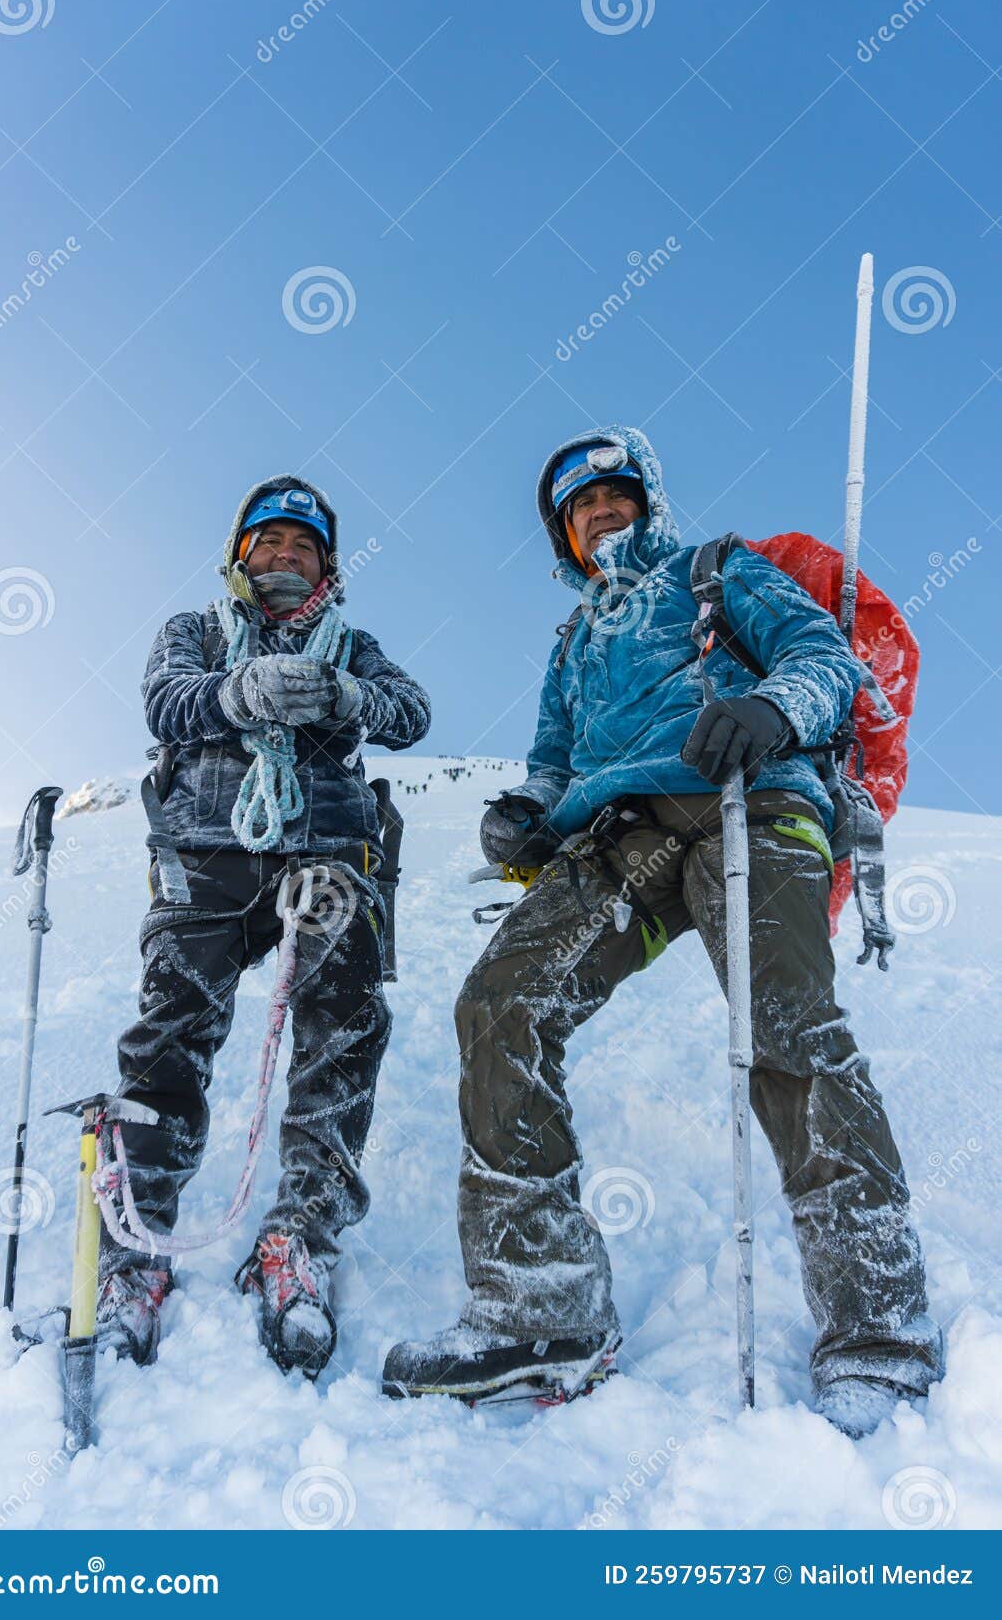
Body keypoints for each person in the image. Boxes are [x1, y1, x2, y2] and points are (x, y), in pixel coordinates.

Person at [383, 426, 944, 1436]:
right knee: (501, 1000)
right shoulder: (574, 641)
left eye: (612, 491)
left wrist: (772, 709)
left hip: (751, 796)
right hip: (618, 833)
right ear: (561, 531)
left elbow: (819, 658)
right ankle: (540, 1308)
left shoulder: (714, 569)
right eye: (576, 503)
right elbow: (552, 764)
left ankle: (877, 1326)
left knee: (785, 1022)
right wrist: (522, 813)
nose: (597, 509)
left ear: (643, 496)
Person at [95, 475, 430, 1378]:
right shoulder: (195, 633)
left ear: (326, 565)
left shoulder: (353, 646)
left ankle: (301, 1240)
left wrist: (344, 696)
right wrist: (237, 691)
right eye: (269, 543)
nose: (285, 557)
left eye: (303, 547)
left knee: (342, 1034)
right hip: (206, 851)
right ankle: (135, 1251)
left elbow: (410, 712)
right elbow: (166, 702)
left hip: (328, 853)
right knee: (167, 1041)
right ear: (241, 554)